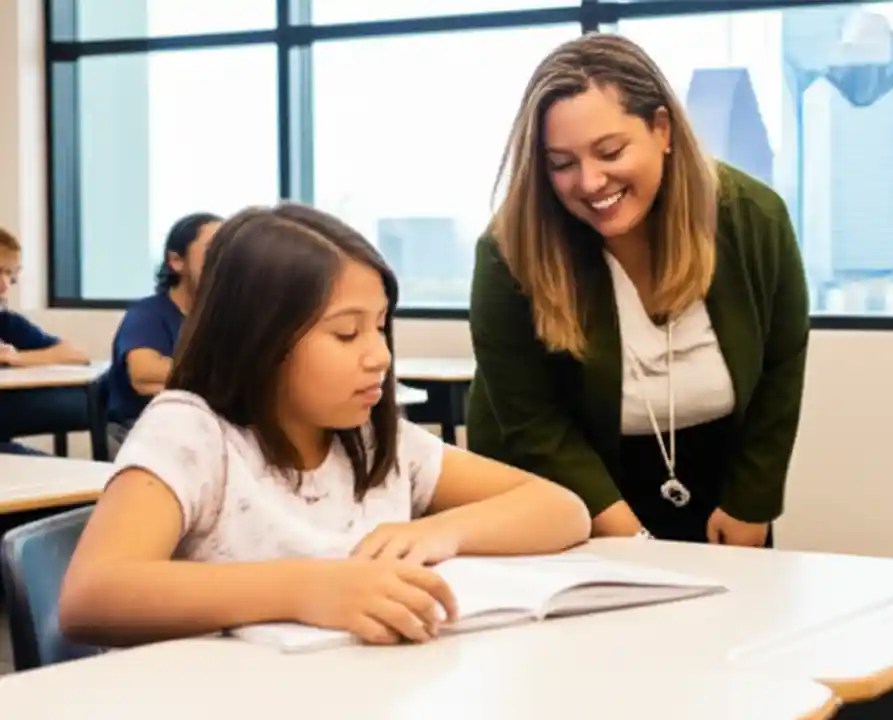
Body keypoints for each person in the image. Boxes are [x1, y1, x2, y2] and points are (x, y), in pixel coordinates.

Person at [59, 203, 590, 648]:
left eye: (380, 327)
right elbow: (93, 595)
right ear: (260, 338)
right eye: (346, 334)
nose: (379, 356)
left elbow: (561, 510)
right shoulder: (194, 434)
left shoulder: (372, 439)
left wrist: (435, 532)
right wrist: (306, 590)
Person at [467, 34, 809, 546]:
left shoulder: (753, 219)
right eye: (561, 163)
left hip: (722, 488)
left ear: (662, 129)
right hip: (562, 498)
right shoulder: (510, 251)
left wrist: (750, 503)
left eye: (610, 152)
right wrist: (630, 539)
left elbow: (781, 370)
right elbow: (532, 420)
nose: (590, 181)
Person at [103, 212, 221, 454]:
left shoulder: (224, 316)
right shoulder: (148, 313)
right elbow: (144, 374)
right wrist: (223, 377)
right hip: (144, 433)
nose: (223, 261)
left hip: (204, 430)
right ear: (176, 261)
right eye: (212, 251)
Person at [0, 227, 90, 455]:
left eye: (10, 276)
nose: (5, 285)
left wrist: (15, 358)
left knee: (91, 402)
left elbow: (75, 354)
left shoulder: (7, 322)